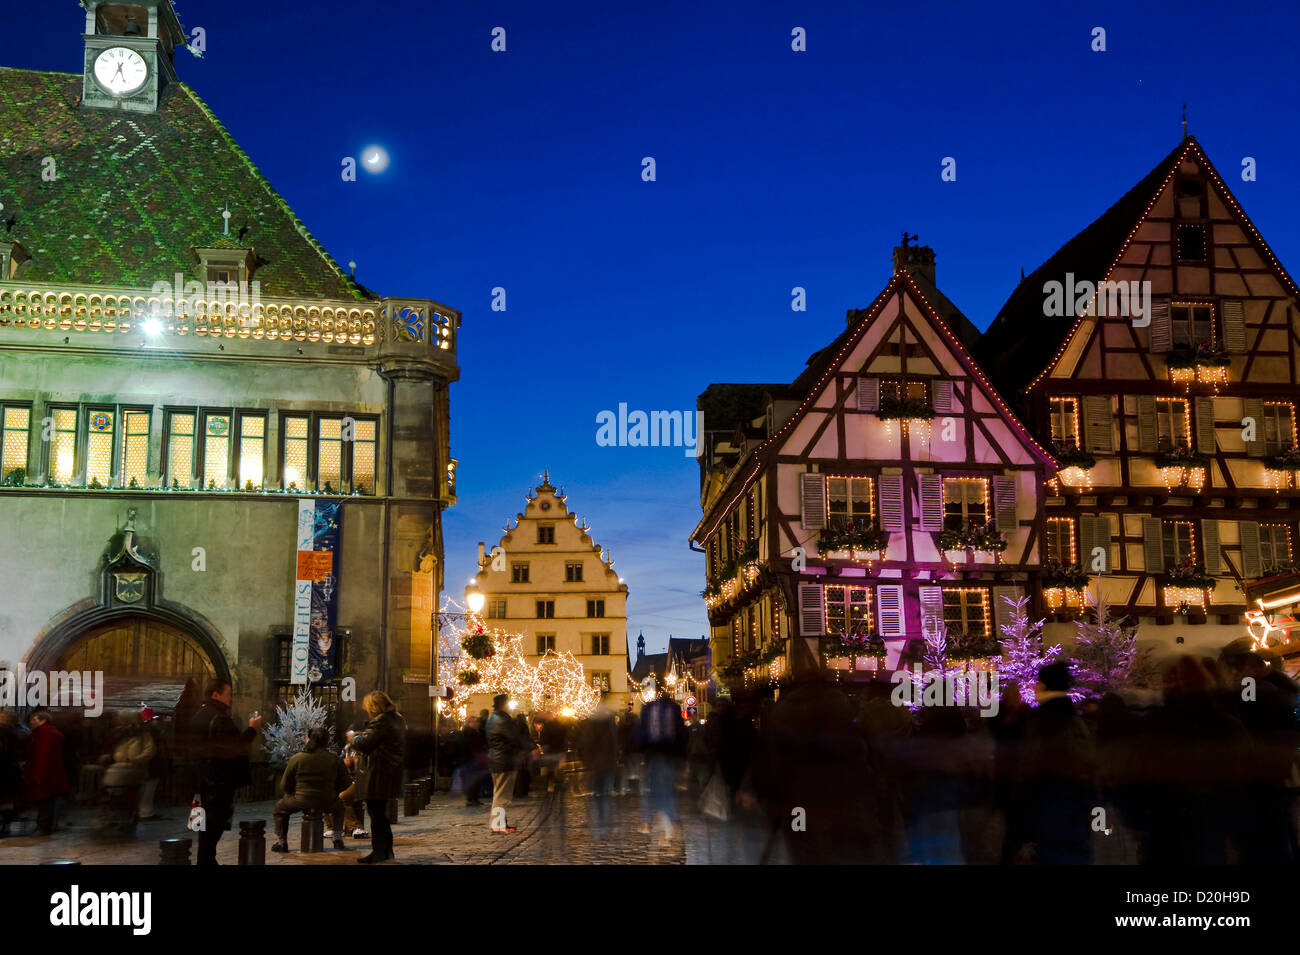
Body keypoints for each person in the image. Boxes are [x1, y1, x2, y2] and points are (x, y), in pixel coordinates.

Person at [190, 679, 262, 866]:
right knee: (215, 823)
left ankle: (206, 860)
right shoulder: (219, 718)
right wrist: (252, 729)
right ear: (216, 694)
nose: (230, 699)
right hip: (218, 782)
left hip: (200, 781)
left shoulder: (198, 716)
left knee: (202, 825)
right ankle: (206, 861)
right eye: (228, 694)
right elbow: (234, 746)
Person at [346, 691, 406, 864]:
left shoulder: (381, 721)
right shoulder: (397, 718)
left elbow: (364, 743)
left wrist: (353, 737)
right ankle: (386, 851)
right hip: (388, 772)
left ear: (374, 707)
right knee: (380, 815)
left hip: (377, 773)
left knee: (376, 815)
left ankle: (379, 852)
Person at [271, 728, 350, 852]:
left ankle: (282, 842)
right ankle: (337, 838)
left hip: (300, 799)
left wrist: (293, 793)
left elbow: (285, 784)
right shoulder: (334, 759)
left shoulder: (297, 758)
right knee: (339, 808)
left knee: (279, 809)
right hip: (327, 799)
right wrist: (334, 792)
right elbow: (346, 782)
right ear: (326, 741)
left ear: (309, 739)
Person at [23, 709, 71, 836]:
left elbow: (43, 755)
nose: (32, 722)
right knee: (48, 800)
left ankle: (43, 826)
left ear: (43, 720)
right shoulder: (49, 733)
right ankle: (46, 825)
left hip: (44, 772)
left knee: (44, 800)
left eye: (35, 720)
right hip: (50, 771)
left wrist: (38, 774)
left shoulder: (44, 734)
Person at [575, 699, 619, 834]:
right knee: (606, 793)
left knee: (597, 793)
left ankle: (600, 821)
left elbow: (586, 745)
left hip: (596, 765)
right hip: (608, 764)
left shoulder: (591, 727)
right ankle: (604, 821)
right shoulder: (611, 726)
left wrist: (587, 762)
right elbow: (615, 744)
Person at [486, 694, 529, 832]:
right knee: (502, 796)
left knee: (499, 793)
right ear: (505, 705)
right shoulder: (502, 720)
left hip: (497, 759)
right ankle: (498, 825)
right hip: (503, 760)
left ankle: (498, 823)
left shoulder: (493, 719)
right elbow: (514, 737)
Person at [0, 710, 26, 837]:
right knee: (7, 800)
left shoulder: (3, 731)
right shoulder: (19, 732)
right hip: (11, 770)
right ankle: (6, 826)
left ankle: (4, 826)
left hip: (3, 769)